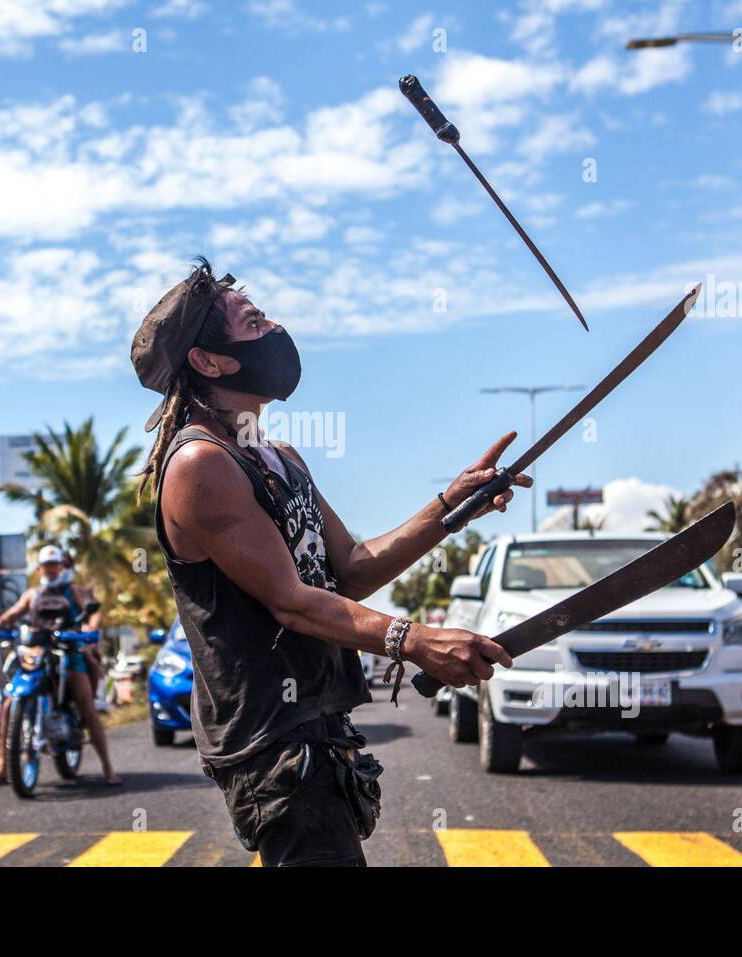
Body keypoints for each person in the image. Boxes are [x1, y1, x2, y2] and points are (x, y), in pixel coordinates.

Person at [133, 259, 529, 866]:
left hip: (317, 723)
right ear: (209, 362)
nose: (274, 329)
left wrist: (451, 506)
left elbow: (350, 569)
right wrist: (416, 640)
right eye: (254, 322)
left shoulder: (279, 456)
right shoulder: (200, 464)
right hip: (271, 740)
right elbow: (291, 602)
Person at [0, 544, 120, 786]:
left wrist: (91, 625)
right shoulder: (32, 594)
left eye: (55, 565)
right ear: (39, 568)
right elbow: (12, 614)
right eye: (46, 566)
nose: (51, 570)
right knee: (9, 706)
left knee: (86, 704)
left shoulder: (73, 590)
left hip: (68, 653)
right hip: (37, 654)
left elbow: (93, 611)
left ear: (61, 567)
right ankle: (4, 767)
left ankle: (108, 768)